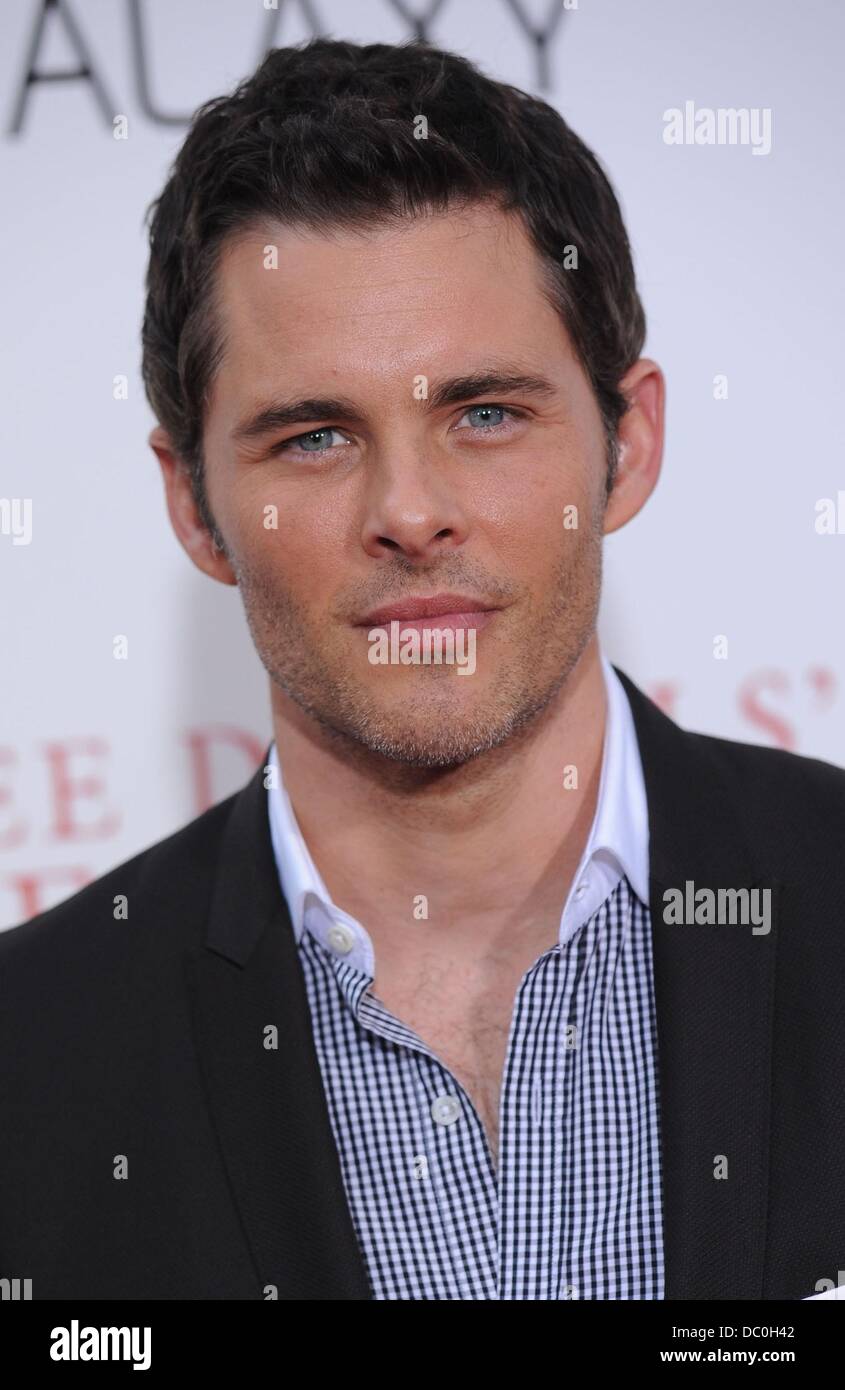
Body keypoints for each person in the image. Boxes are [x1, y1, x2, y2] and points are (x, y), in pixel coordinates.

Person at [2, 38, 844, 1302]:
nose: (409, 510)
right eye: (314, 436)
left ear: (628, 447)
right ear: (192, 507)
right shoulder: (34, 1064)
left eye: (485, 413)